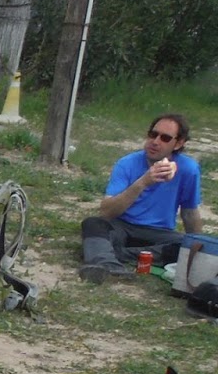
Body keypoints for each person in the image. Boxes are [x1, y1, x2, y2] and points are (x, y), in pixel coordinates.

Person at [78, 114, 204, 282]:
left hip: (160, 233)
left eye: (165, 138)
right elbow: (107, 211)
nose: (156, 141)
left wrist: (198, 247)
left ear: (178, 144)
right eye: (153, 134)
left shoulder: (188, 169)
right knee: (93, 224)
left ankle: (110, 254)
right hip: (122, 226)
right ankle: (110, 265)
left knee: (184, 246)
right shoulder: (127, 163)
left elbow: (189, 213)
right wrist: (143, 182)